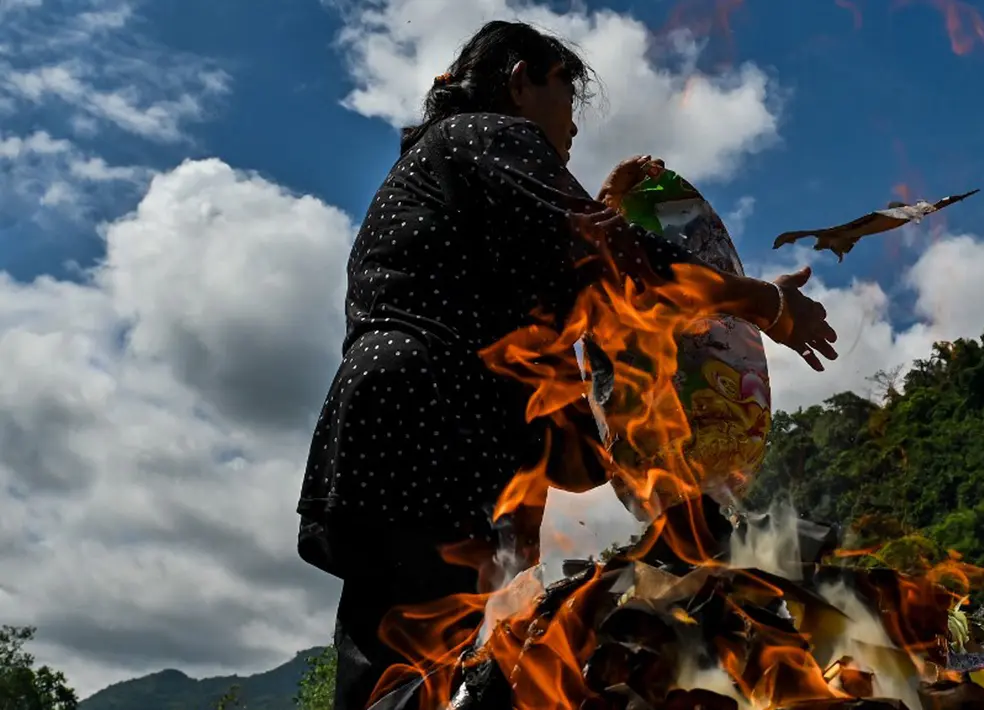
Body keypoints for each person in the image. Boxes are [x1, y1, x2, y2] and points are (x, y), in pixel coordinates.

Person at [296, 19, 839, 710]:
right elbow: (615, 258)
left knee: (394, 672)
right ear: (522, 79)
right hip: (433, 423)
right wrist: (765, 305)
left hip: (396, 436)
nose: (573, 131)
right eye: (567, 100)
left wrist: (635, 449)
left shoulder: (450, 182)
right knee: (459, 667)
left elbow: (583, 362)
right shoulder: (484, 133)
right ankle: (508, 668)